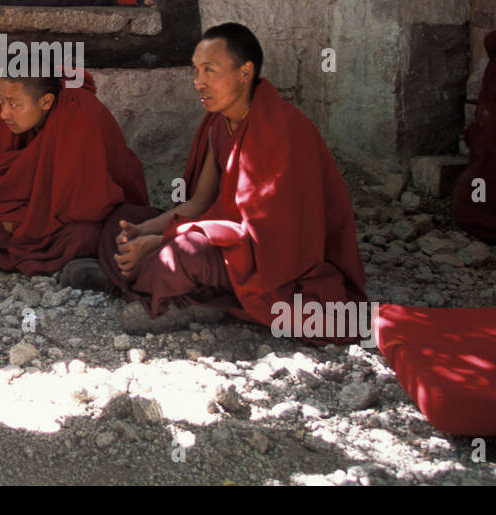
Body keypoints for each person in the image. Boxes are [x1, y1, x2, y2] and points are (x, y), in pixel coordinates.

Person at [97, 23, 367, 339]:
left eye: (210, 71)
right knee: (122, 218)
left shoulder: (282, 130)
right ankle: (170, 286)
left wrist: (161, 241)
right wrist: (142, 231)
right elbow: (199, 202)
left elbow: (269, 238)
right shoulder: (219, 124)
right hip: (227, 238)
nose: (199, 83)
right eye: (196, 71)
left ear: (245, 72)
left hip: (274, 260)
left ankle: (186, 297)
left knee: (184, 252)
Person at [0, 66, 148, 282]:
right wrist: (11, 215)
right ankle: (50, 256)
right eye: (2, 100)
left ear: (45, 101)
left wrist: (19, 223)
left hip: (66, 216)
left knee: (86, 236)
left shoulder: (80, 115)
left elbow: (87, 204)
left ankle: (26, 247)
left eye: (14, 104)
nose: (4, 113)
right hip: (31, 212)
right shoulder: (8, 117)